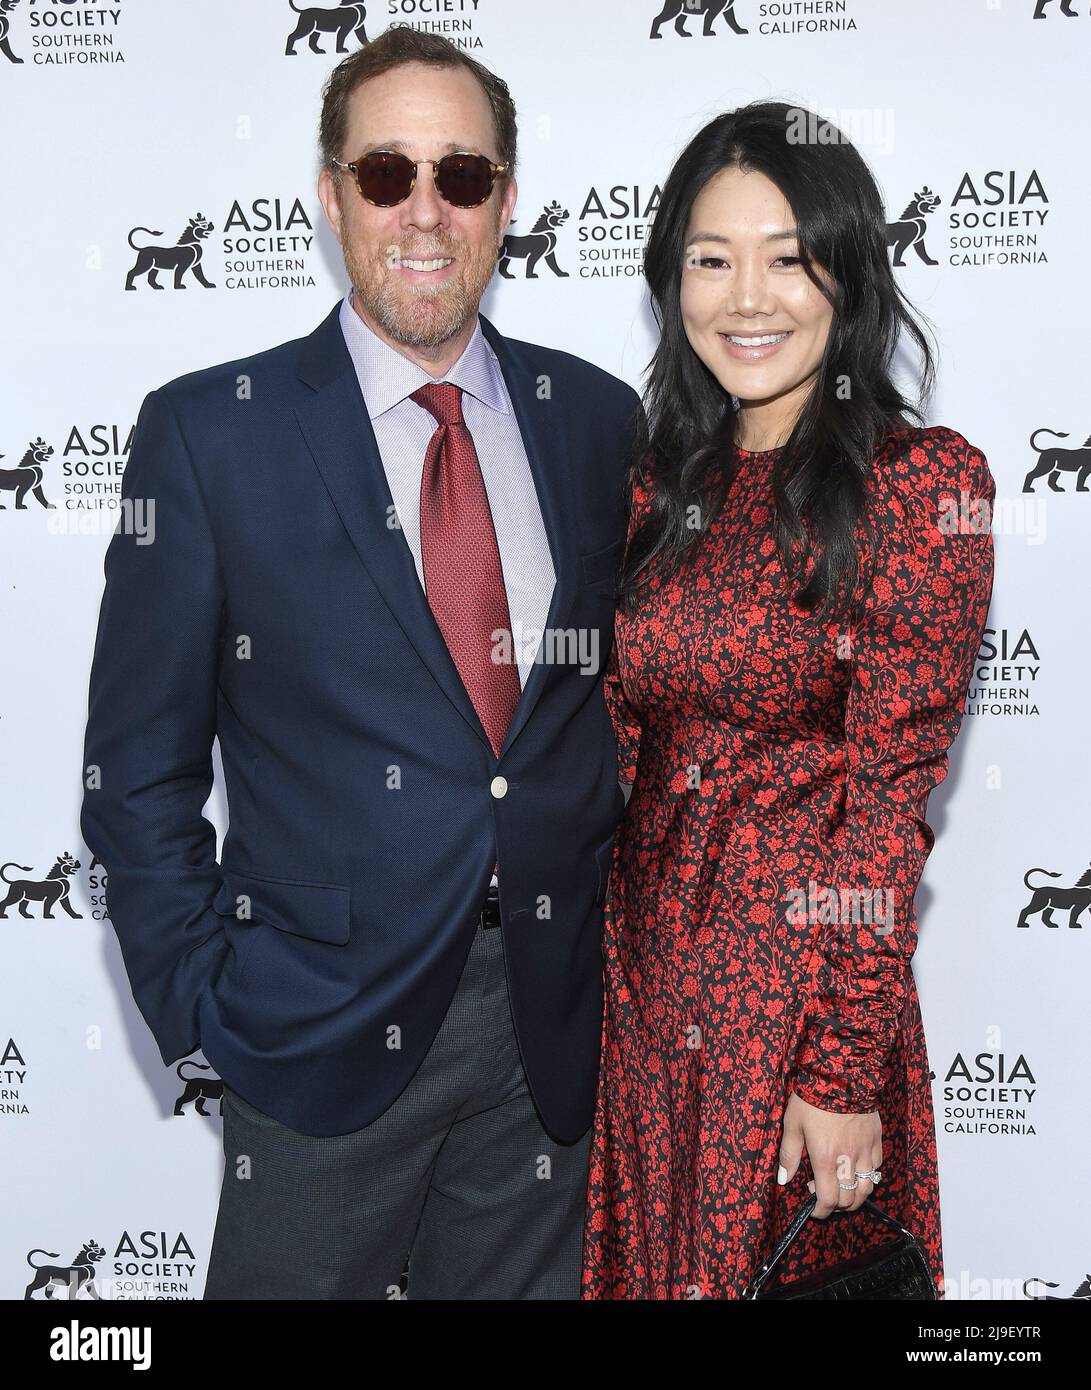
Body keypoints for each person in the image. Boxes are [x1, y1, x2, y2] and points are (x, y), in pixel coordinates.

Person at [80, 29, 640, 1300]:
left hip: (550, 1040)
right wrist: (206, 1020)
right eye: (387, 174)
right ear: (331, 198)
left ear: (508, 198)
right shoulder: (209, 435)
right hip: (313, 1032)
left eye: (463, 174)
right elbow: (137, 775)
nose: (425, 211)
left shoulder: (598, 421)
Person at [580, 100, 996, 1299]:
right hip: (642, 989)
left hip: (792, 1001)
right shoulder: (654, 484)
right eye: (711, 260)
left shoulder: (916, 489)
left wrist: (840, 1069)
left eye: (787, 258)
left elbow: (883, 812)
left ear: (847, 271)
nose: (745, 298)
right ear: (670, 280)